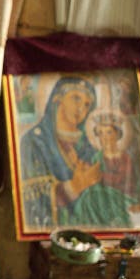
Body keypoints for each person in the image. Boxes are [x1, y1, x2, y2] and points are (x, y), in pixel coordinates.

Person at [19, 76, 100, 228]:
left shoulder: (88, 147)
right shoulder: (34, 142)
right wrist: (75, 186)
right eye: (76, 98)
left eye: (87, 104)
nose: (81, 108)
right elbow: (29, 198)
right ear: (57, 98)